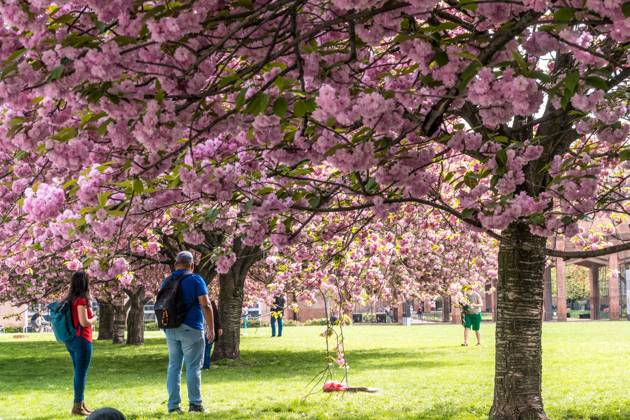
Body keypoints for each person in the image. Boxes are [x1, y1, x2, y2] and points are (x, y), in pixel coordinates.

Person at [161, 251, 214, 414]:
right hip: (191, 327)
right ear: (192, 265)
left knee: (174, 367)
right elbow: (205, 304)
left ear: (176, 264)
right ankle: (195, 405)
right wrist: (211, 327)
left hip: (171, 328)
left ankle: (173, 406)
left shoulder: (167, 280)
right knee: (193, 367)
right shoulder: (195, 279)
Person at [65, 271, 97, 416]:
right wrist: (94, 319)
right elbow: (84, 322)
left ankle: (81, 404)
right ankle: (77, 407)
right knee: (80, 374)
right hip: (82, 339)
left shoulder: (70, 299)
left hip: (72, 340)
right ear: (84, 283)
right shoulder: (81, 300)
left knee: (79, 373)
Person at [202, 300, 222, 369]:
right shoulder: (195, 304)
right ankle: (200, 365)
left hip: (209, 329)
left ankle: (206, 366)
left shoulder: (211, 303)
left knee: (207, 348)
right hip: (199, 329)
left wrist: (219, 327)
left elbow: (216, 316)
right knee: (200, 349)